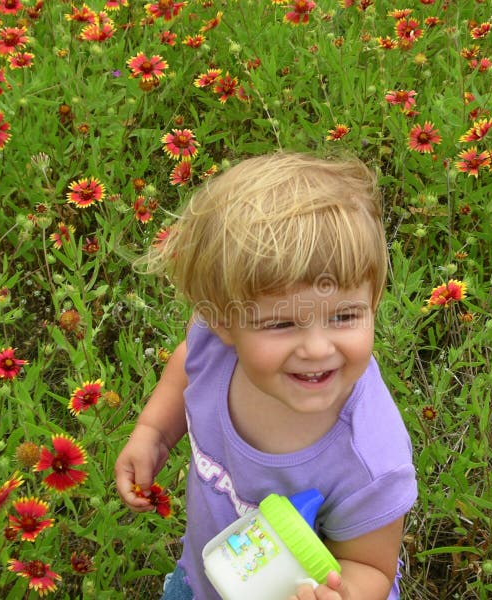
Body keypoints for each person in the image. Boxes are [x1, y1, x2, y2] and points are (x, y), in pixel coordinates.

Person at [114, 151, 417, 600]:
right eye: (281, 324)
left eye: (345, 316)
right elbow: (185, 368)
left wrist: (341, 592)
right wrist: (154, 432)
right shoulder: (213, 349)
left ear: (373, 303)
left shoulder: (370, 459)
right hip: (207, 575)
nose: (317, 348)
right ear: (222, 323)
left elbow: (371, 565)